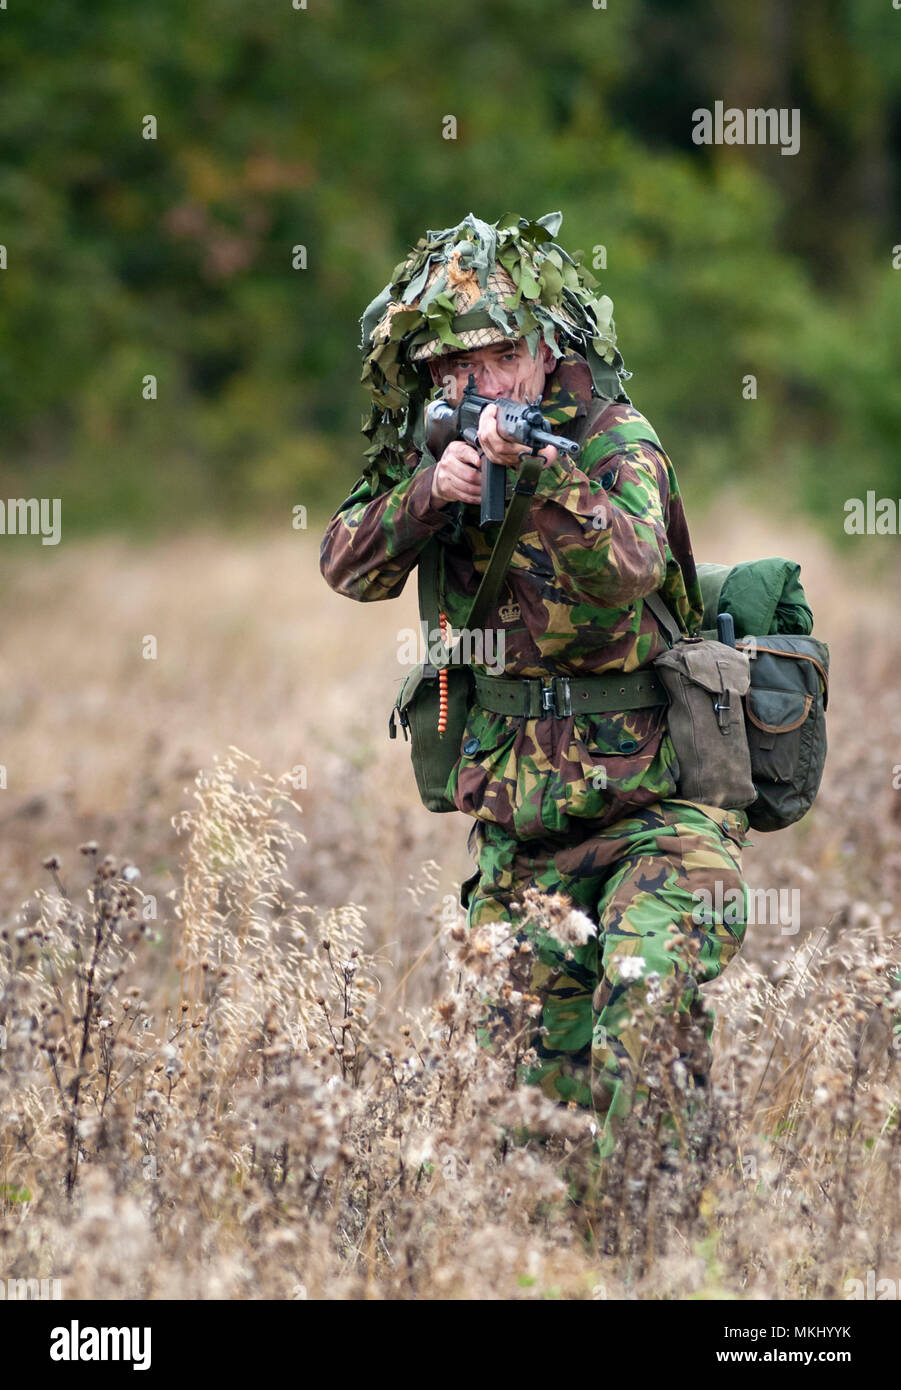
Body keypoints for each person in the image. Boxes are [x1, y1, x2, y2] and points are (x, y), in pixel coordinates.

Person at [319, 212, 750, 1162]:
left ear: (547, 351)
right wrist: (433, 491)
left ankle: (667, 1237)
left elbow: (632, 566)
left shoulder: (612, 442)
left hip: (656, 816)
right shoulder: (433, 452)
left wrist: (542, 476)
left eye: (502, 357)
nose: (481, 385)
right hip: (522, 833)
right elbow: (344, 567)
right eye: (455, 369)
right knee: (526, 1119)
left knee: (644, 1010)